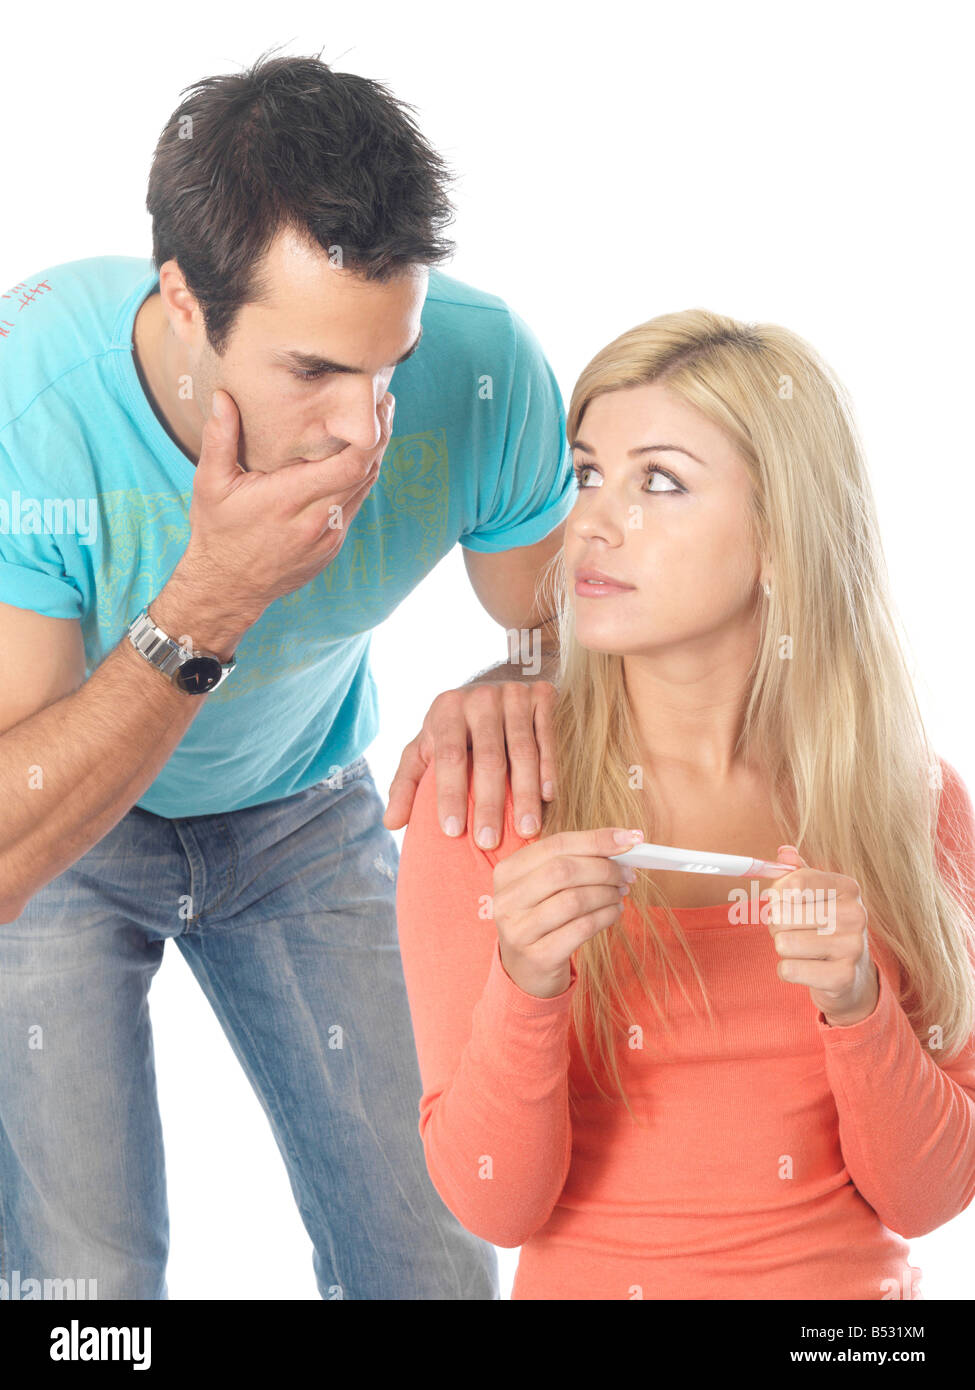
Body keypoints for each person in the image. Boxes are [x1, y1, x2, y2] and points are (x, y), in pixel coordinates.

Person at [0, 50, 571, 1299]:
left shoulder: (483, 372)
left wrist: (530, 674)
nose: (364, 425)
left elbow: (577, 627)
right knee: (84, 1292)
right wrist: (216, 594)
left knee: (429, 1269)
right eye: (313, 371)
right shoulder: (27, 399)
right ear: (187, 305)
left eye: (389, 365)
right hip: (69, 840)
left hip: (304, 808)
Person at [396, 308, 975, 1300]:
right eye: (585, 475)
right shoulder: (494, 792)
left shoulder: (905, 800)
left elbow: (929, 1196)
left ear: (779, 543)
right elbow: (496, 1206)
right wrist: (527, 979)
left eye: (657, 481)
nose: (592, 523)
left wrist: (859, 1005)